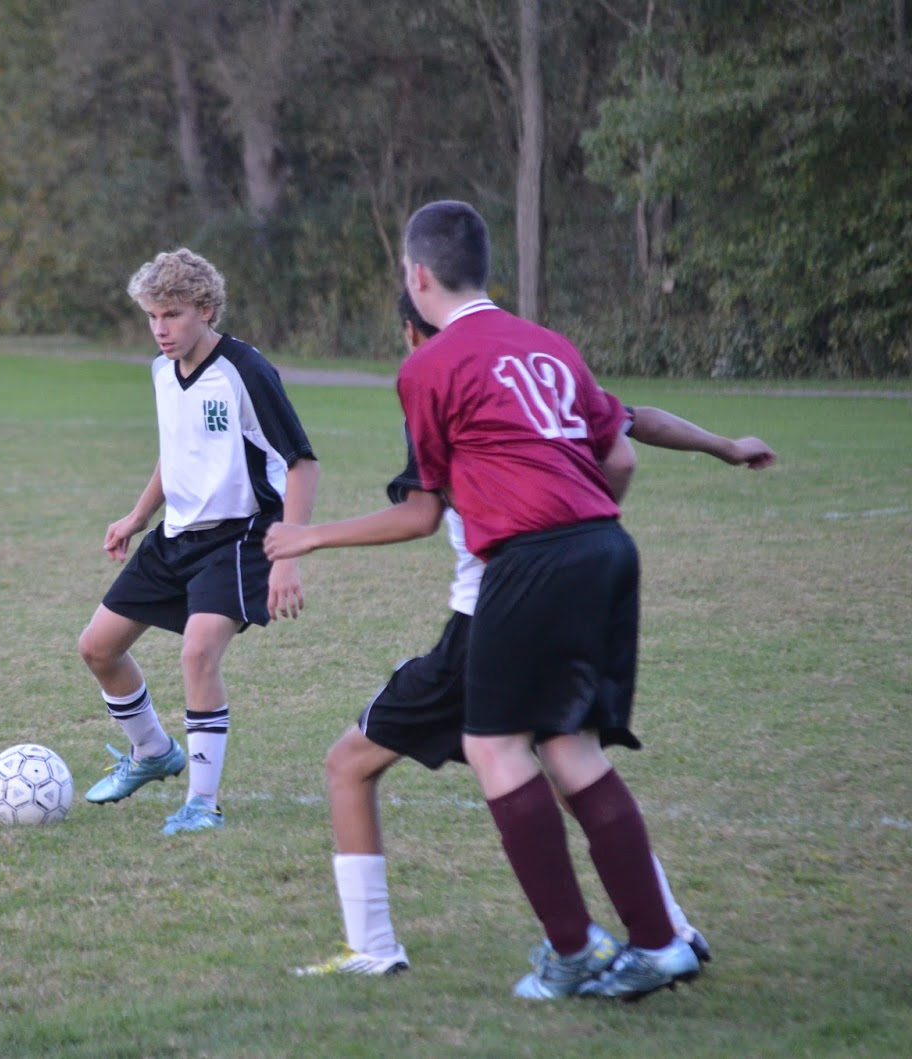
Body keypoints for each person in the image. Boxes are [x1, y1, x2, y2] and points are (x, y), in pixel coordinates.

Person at [266, 290, 775, 980]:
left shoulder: (445, 390)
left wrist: (309, 536)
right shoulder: (534, 369)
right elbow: (627, 437)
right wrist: (723, 446)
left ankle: (377, 947)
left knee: (350, 762)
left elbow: (418, 514)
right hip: (571, 583)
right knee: (570, 759)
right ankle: (668, 929)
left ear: (416, 330)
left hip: (493, 613)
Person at [384, 198, 714, 1000]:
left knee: (496, 746)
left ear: (418, 275)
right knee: (569, 744)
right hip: (604, 547)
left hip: (529, 560)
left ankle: (573, 949)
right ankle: (658, 943)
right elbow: (621, 457)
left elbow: (427, 509)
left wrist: (307, 538)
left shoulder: (426, 366)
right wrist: (581, 519)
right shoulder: (548, 343)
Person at [77, 248, 319, 834]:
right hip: (174, 536)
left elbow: (301, 465)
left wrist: (287, 554)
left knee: (197, 654)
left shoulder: (245, 372)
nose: (160, 328)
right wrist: (137, 516)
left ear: (205, 309)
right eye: (152, 316)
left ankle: (202, 804)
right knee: (97, 648)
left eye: (172, 314)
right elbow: (178, 450)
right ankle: (154, 752)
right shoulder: (163, 371)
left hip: (238, 537)